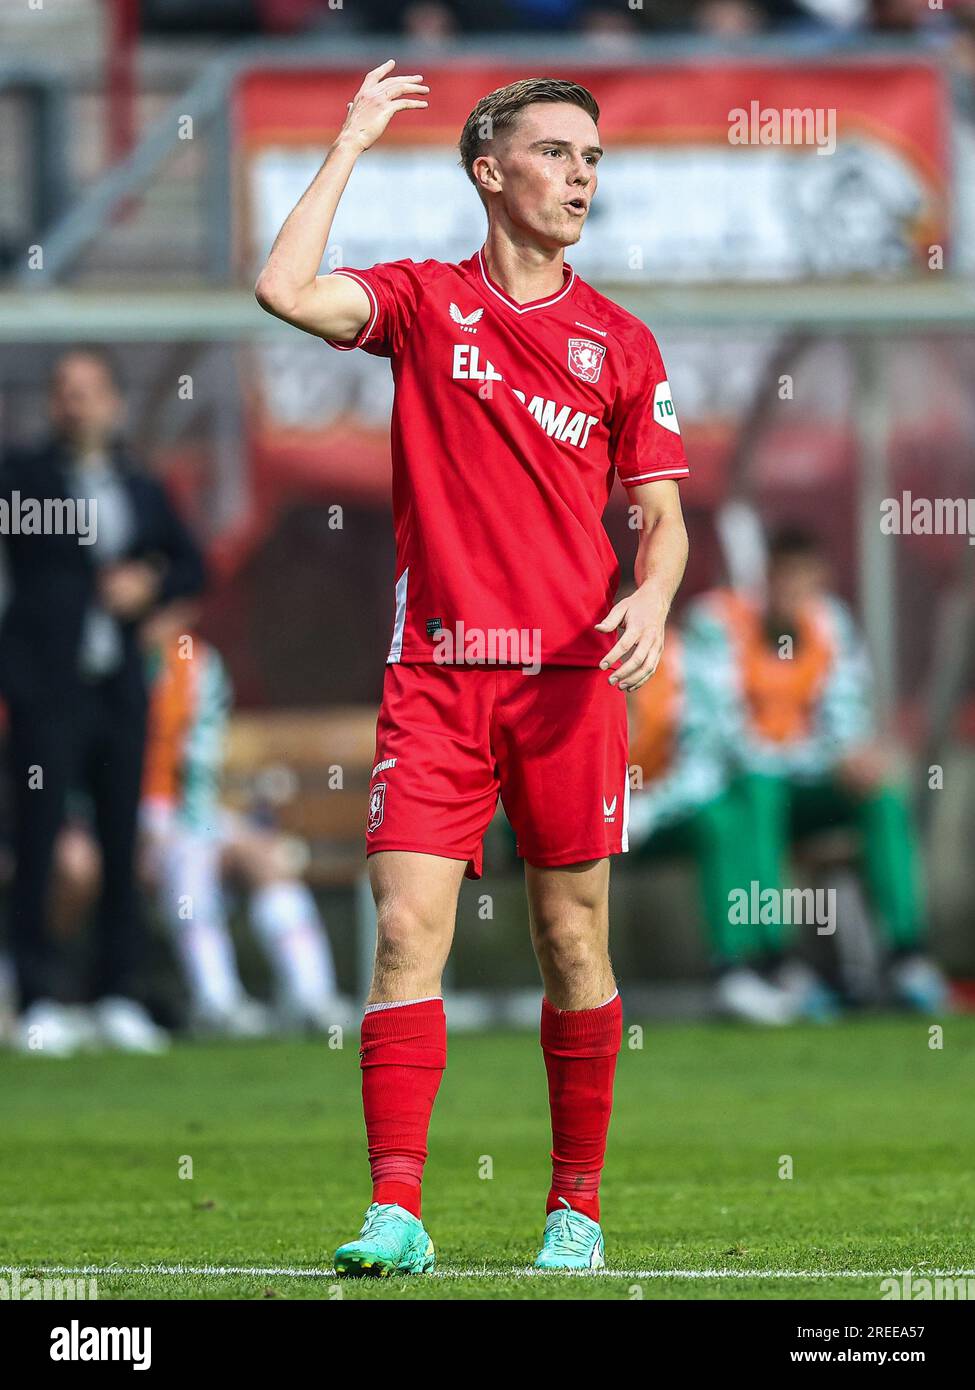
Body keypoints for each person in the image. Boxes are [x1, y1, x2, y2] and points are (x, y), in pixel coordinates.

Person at [256, 64, 690, 1274]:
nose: (581, 178)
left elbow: (662, 516)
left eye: (593, 159)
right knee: (404, 931)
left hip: (567, 681)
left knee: (571, 941)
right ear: (488, 171)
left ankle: (577, 1209)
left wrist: (652, 594)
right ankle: (397, 1210)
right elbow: (282, 286)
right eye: (557, 153)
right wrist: (346, 141)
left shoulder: (621, 342)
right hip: (437, 677)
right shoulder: (422, 303)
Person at [0, 348, 206, 1056]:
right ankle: (36, 999)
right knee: (39, 842)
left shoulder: (140, 486)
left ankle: (119, 993)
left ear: (114, 403)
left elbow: (190, 562)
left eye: (88, 391)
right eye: (64, 391)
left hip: (118, 693)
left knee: (122, 843)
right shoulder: (23, 478)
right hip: (44, 694)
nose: (75, 403)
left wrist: (149, 584)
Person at [682, 527, 947, 1015]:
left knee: (882, 796)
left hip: (801, 786)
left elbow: (845, 715)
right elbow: (727, 741)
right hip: (735, 789)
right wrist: (821, 755)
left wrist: (853, 756)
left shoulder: (830, 624)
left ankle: (906, 954)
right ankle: (769, 957)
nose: (796, 593)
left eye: (808, 582)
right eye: (786, 580)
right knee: (756, 793)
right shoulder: (717, 622)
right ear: (766, 578)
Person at [138, 620, 350, 1036]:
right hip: (122, 826)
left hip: (192, 818)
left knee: (266, 857)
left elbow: (197, 766)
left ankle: (314, 998)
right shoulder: (105, 657)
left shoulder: (195, 663)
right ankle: (216, 1001)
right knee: (189, 861)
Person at [626, 627, 799, 1025]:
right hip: (576, 814)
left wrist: (645, 810)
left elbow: (700, 767)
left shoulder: (680, 664)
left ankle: (749, 963)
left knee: (728, 814)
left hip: (649, 818)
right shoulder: (572, 660)